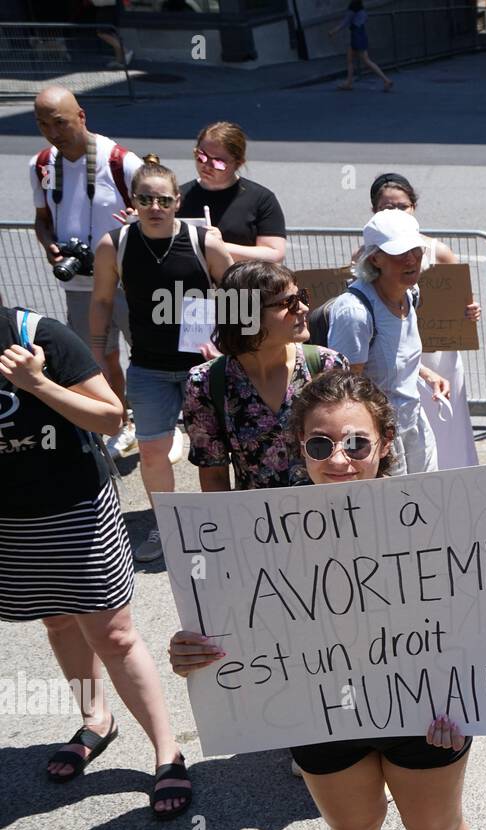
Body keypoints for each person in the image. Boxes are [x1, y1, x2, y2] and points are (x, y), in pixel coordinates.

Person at [169, 371, 474, 830]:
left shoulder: (435, 525)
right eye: (320, 443)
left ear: (385, 443)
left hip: (426, 711)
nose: (339, 459)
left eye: (357, 443)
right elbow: (231, 631)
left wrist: (476, 697)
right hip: (319, 711)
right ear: (299, 447)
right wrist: (193, 655)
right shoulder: (251, 539)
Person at [0, 304, 191, 821]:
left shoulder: (39, 335)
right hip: (11, 521)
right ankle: (95, 719)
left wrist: (36, 383)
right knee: (58, 620)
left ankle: (166, 751)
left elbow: (110, 416)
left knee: (114, 635)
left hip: (76, 508)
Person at [89, 156, 233, 563]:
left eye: (163, 200)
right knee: (153, 453)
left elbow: (240, 292)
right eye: (145, 199)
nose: (155, 207)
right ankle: (166, 526)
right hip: (148, 367)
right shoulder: (113, 244)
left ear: (177, 201)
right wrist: (98, 351)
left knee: (213, 451)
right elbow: (100, 301)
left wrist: (226, 344)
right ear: (133, 201)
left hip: (202, 368)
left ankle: (221, 524)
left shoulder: (205, 241)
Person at [30, 85, 142, 458]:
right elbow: (42, 220)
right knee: (99, 359)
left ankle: (153, 424)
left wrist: (138, 221)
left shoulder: (122, 162)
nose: (52, 131)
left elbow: (160, 213)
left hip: (130, 281)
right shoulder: (42, 164)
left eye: (59, 122)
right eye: (43, 124)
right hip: (79, 284)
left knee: (146, 356)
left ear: (81, 116)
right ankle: (119, 423)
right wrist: (48, 244)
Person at [184, 260, 348, 492]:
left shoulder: (327, 365)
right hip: (257, 522)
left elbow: (354, 450)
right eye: (288, 303)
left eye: (301, 296)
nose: (302, 307)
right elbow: (214, 476)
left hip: (329, 513)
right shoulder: (206, 382)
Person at [365, 172, 480, 470]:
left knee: (447, 420)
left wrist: (468, 313)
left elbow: (460, 299)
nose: (394, 212)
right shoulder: (370, 255)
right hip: (395, 354)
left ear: (414, 206)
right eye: (385, 207)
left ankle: (455, 475)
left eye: (401, 206)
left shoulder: (438, 251)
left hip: (438, 353)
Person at [329, 208, 450, 477]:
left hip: (414, 422)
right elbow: (346, 387)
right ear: (375, 259)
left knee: (428, 500)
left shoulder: (410, 293)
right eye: (400, 253)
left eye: (416, 250)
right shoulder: (354, 312)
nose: (411, 259)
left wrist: (427, 374)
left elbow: (394, 354)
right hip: (377, 437)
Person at [176, 122, 288, 265]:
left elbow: (275, 254)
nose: (207, 166)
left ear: (238, 163)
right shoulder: (177, 196)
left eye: (218, 162)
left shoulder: (261, 199)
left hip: (242, 284)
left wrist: (217, 246)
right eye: (201, 156)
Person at [329, 0, 394, 93]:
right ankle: (349, 83)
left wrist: (333, 31)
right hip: (361, 33)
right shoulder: (361, 8)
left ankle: (386, 80)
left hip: (356, 35)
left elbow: (345, 22)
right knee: (350, 58)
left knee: (365, 60)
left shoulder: (353, 8)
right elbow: (365, 18)